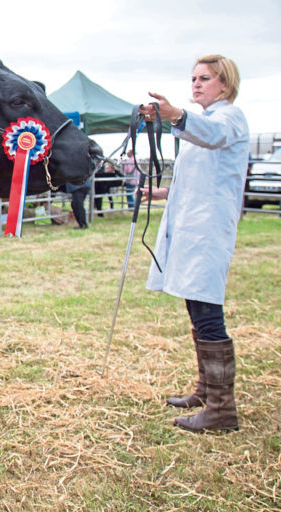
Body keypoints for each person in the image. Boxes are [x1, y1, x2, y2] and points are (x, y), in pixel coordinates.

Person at [139, 54, 248, 434]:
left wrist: (174, 115)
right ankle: (207, 389)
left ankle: (221, 409)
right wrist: (159, 191)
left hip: (208, 228)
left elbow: (211, 136)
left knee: (206, 307)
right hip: (192, 225)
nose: (197, 84)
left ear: (225, 83)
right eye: (194, 78)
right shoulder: (207, 122)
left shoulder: (228, 118)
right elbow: (200, 174)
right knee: (195, 303)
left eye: (205, 78)